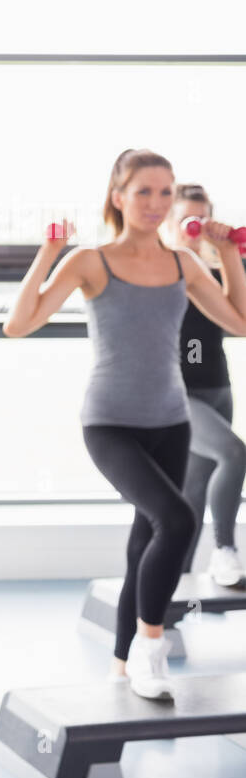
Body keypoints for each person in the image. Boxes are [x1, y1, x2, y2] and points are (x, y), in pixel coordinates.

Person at [3, 149, 246, 701]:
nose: (157, 203)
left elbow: (240, 321)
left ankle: (120, 664)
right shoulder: (91, 260)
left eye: (165, 192)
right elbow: (18, 325)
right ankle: (150, 650)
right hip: (110, 423)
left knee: (145, 541)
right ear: (118, 196)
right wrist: (47, 254)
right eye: (144, 192)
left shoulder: (183, 265)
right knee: (179, 520)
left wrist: (229, 252)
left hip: (171, 421)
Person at [168, 183, 246, 586]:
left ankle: (169, 604)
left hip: (218, 390)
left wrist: (228, 250)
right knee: (235, 453)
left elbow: (242, 319)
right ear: (170, 221)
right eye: (186, 221)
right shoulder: (165, 270)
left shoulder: (215, 273)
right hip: (180, 395)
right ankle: (225, 551)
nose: (192, 229)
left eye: (199, 220)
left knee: (193, 495)